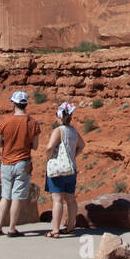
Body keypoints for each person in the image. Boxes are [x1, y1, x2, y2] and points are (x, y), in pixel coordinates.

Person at [0, 90, 40, 236]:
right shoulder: (33, 123)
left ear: (13, 103)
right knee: (17, 196)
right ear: (25, 104)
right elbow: (35, 146)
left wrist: (9, 142)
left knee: (5, 196)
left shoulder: (5, 121)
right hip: (23, 163)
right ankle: (12, 229)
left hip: (6, 162)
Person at [44, 102, 84, 237]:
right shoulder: (73, 130)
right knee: (71, 199)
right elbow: (82, 145)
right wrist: (73, 156)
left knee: (57, 200)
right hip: (71, 169)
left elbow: (49, 147)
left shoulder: (59, 130)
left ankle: (55, 230)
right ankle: (71, 226)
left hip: (58, 170)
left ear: (60, 116)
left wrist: (48, 158)